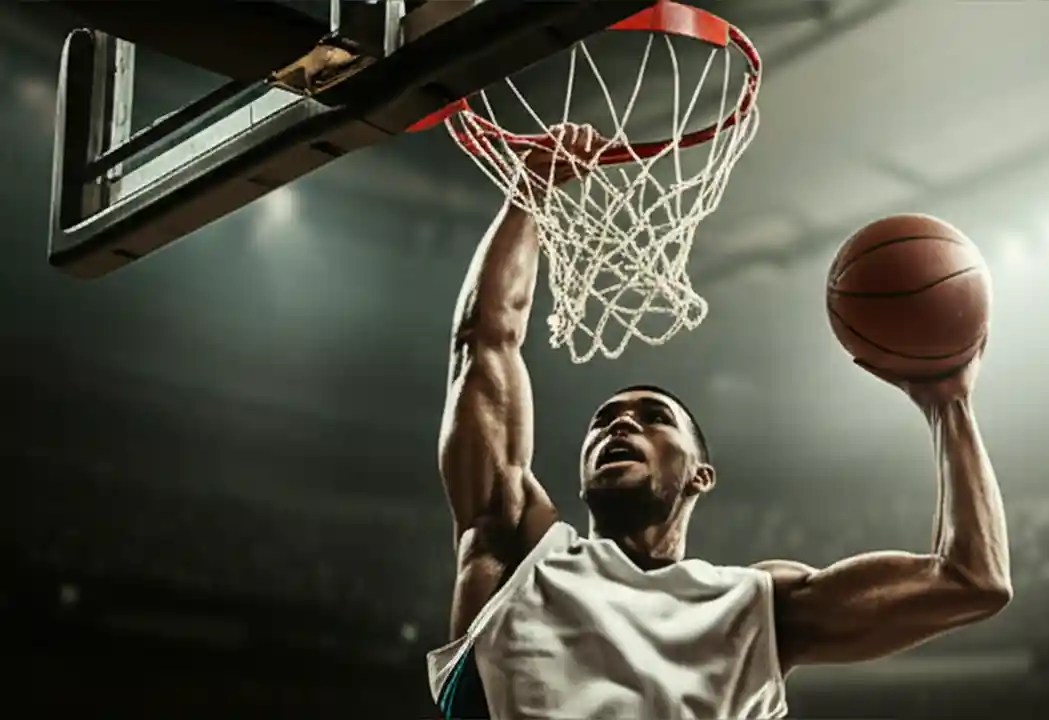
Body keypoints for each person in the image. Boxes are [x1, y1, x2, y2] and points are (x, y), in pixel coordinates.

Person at [426, 124, 1012, 719]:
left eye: (653, 418)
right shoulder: (516, 549)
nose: (618, 427)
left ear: (701, 475)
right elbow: (486, 343)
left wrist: (949, 405)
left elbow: (972, 582)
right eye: (603, 422)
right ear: (580, 476)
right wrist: (531, 192)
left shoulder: (757, 607)